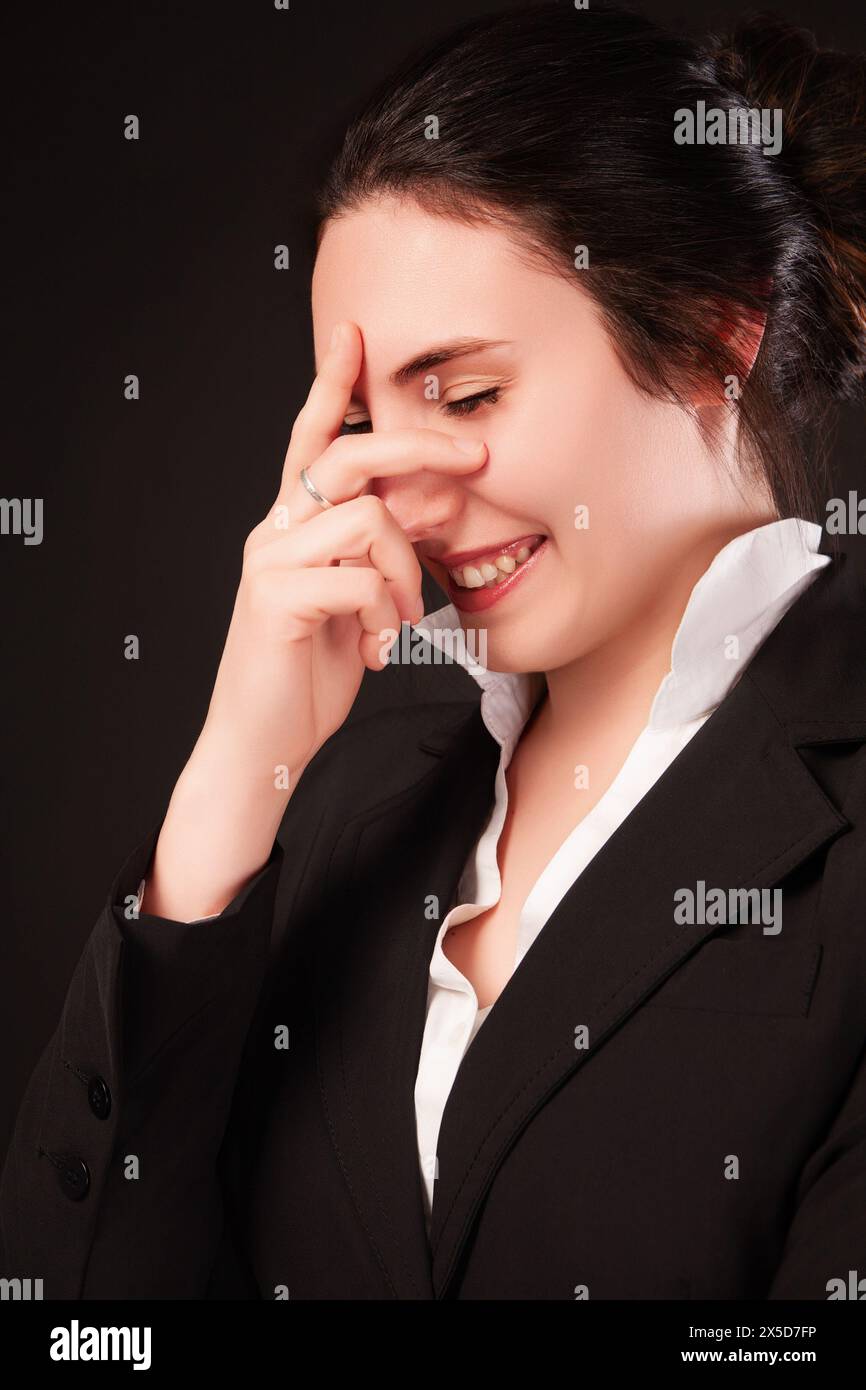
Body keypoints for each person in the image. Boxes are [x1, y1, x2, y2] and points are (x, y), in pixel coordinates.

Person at [3, 1, 866, 1300]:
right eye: (362, 422)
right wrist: (235, 772)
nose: (404, 484)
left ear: (707, 337)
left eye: (463, 397)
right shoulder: (352, 809)